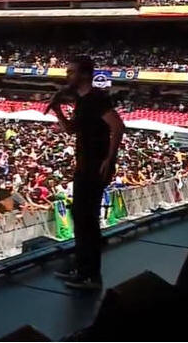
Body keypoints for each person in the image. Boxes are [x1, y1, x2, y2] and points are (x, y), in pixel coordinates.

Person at [47, 55, 125, 290]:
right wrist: (58, 110)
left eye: (71, 72)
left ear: (83, 74)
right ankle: (82, 268)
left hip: (95, 166)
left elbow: (118, 126)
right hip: (84, 165)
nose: (67, 76)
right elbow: (71, 130)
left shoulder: (96, 98)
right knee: (80, 218)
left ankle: (91, 276)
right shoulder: (81, 101)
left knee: (87, 219)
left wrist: (108, 160)